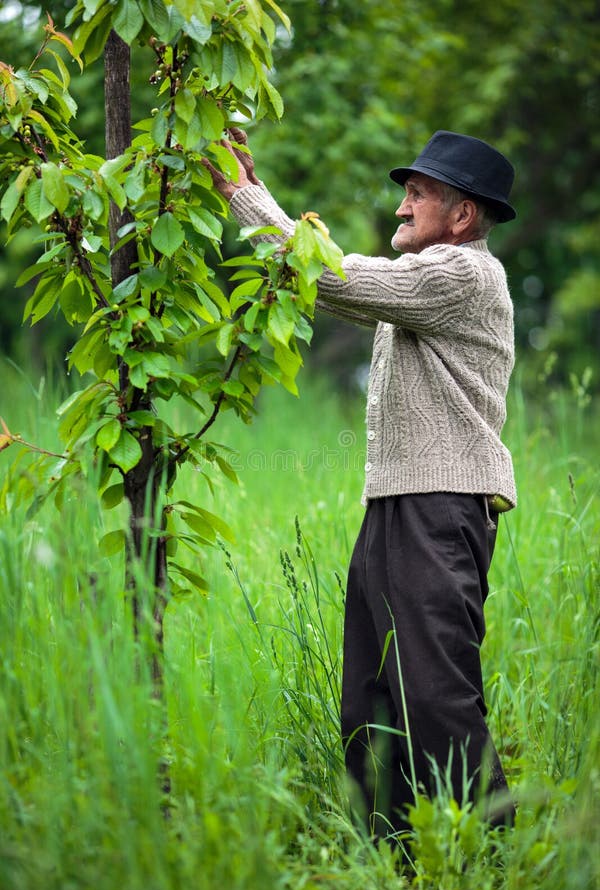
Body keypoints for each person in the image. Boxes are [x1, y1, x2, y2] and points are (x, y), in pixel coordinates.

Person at [204, 128, 517, 841]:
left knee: (436, 697)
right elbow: (335, 291)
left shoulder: (460, 274)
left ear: (462, 216)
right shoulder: (432, 278)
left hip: (440, 509)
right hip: (400, 505)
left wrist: (243, 196)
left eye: (416, 196)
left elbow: (337, 279)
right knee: (371, 700)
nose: (401, 209)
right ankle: (394, 854)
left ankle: (502, 856)